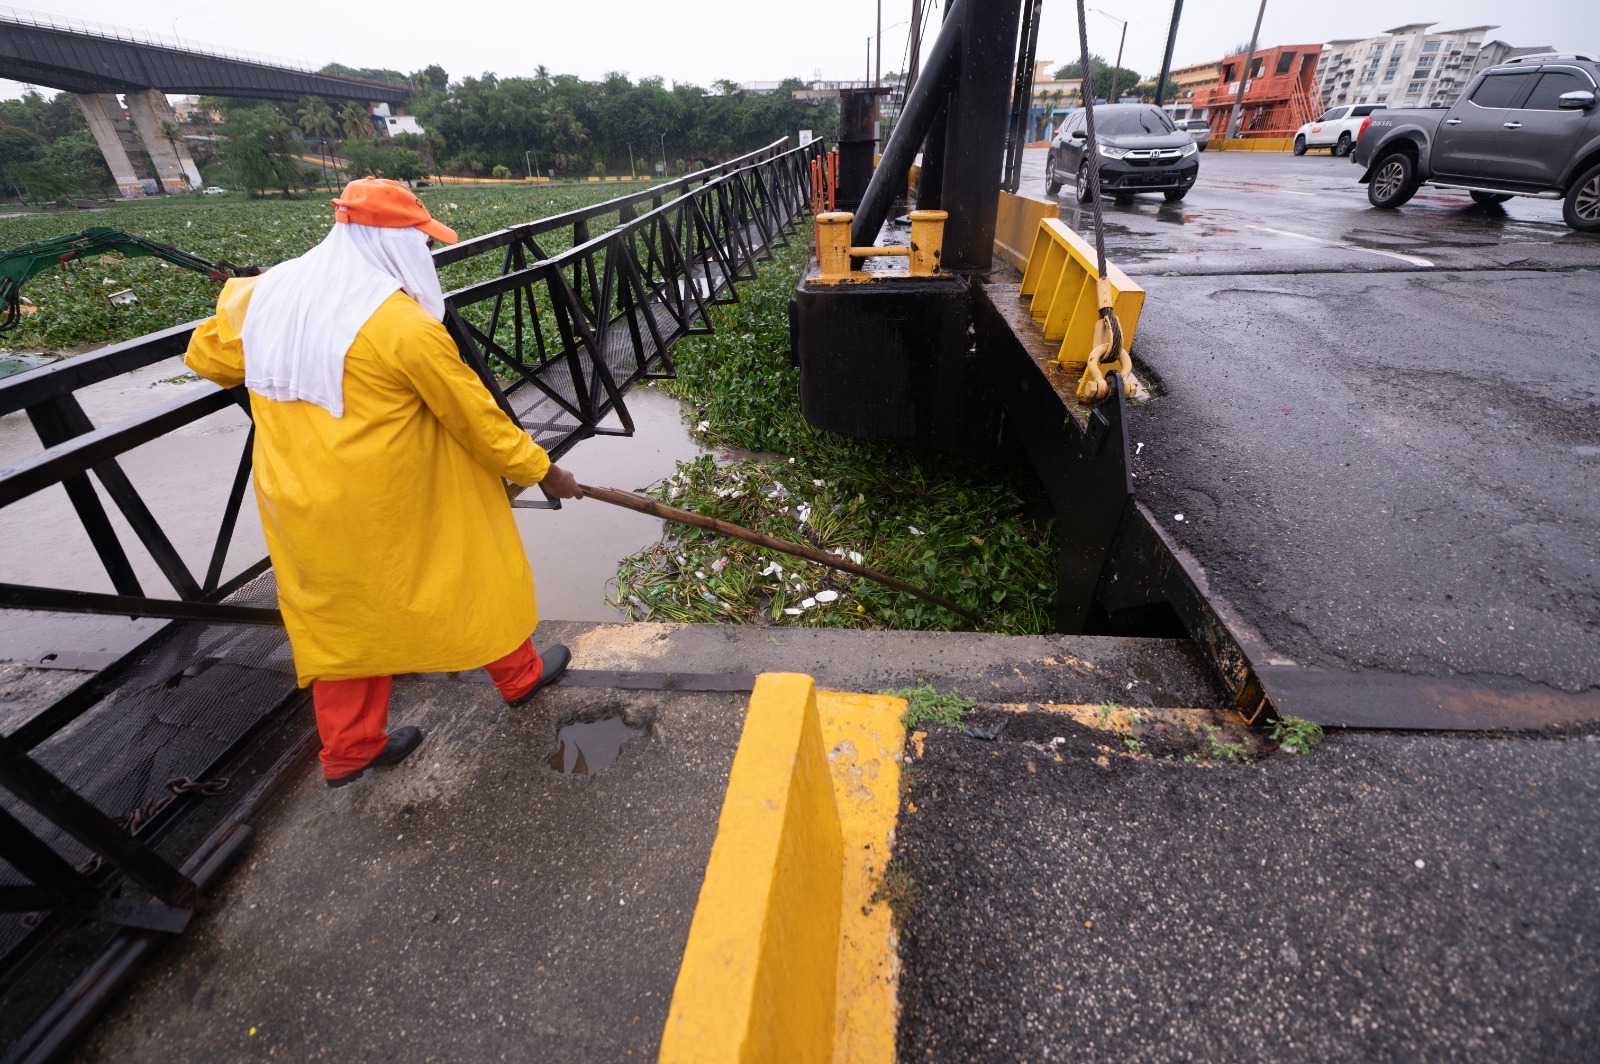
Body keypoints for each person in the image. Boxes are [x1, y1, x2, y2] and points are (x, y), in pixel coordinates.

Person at [185, 177, 584, 788]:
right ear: (391, 245)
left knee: (340, 620)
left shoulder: (261, 296)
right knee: (471, 569)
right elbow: (477, 421)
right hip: (397, 495)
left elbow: (209, 358)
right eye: (419, 243)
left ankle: (349, 749)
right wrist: (543, 471)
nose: (423, 255)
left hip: (298, 495)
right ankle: (521, 679)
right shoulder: (402, 326)